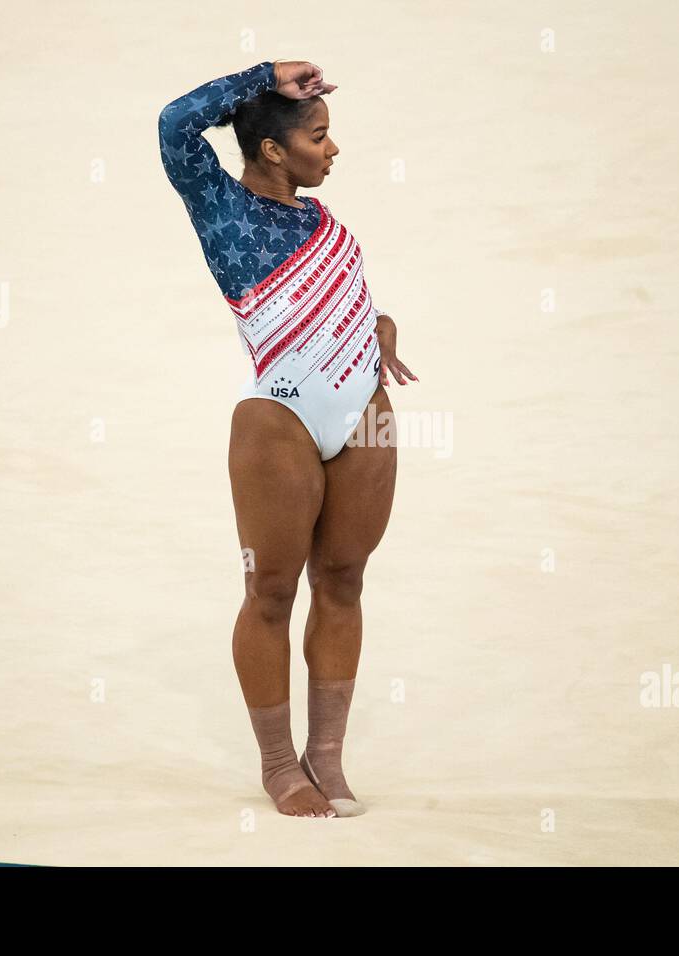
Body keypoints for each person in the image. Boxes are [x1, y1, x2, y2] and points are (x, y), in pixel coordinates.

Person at [158, 60, 417, 817]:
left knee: (344, 580)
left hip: (365, 412)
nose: (332, 150)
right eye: (318, 136)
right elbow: (175, 125)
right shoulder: (223, 210)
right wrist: (265, 75)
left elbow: (329, 304)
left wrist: (379, 323)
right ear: (273, 150)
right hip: (281, 418)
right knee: (270, 592)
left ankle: (326, 759)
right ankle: (279, 764)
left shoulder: (323, 221)